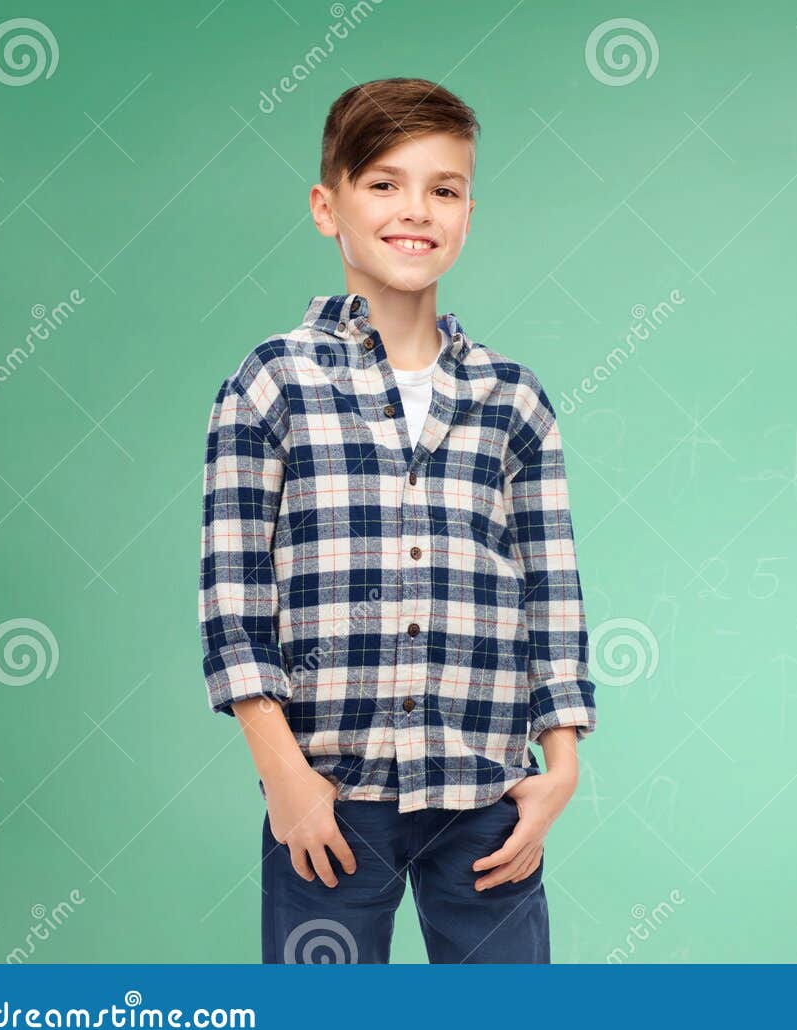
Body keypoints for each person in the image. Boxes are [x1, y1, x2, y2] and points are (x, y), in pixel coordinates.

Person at [198, 78, 596, 964]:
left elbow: (551, 589)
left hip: (487, 795)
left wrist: (558, 768)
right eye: (383, 183)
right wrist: (284, 777)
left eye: (443, 188)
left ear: (466, 211)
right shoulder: (272, 386)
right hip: (328, 796)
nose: (415, 210)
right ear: (326, 205)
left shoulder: (512, 398)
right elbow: (235, 601)